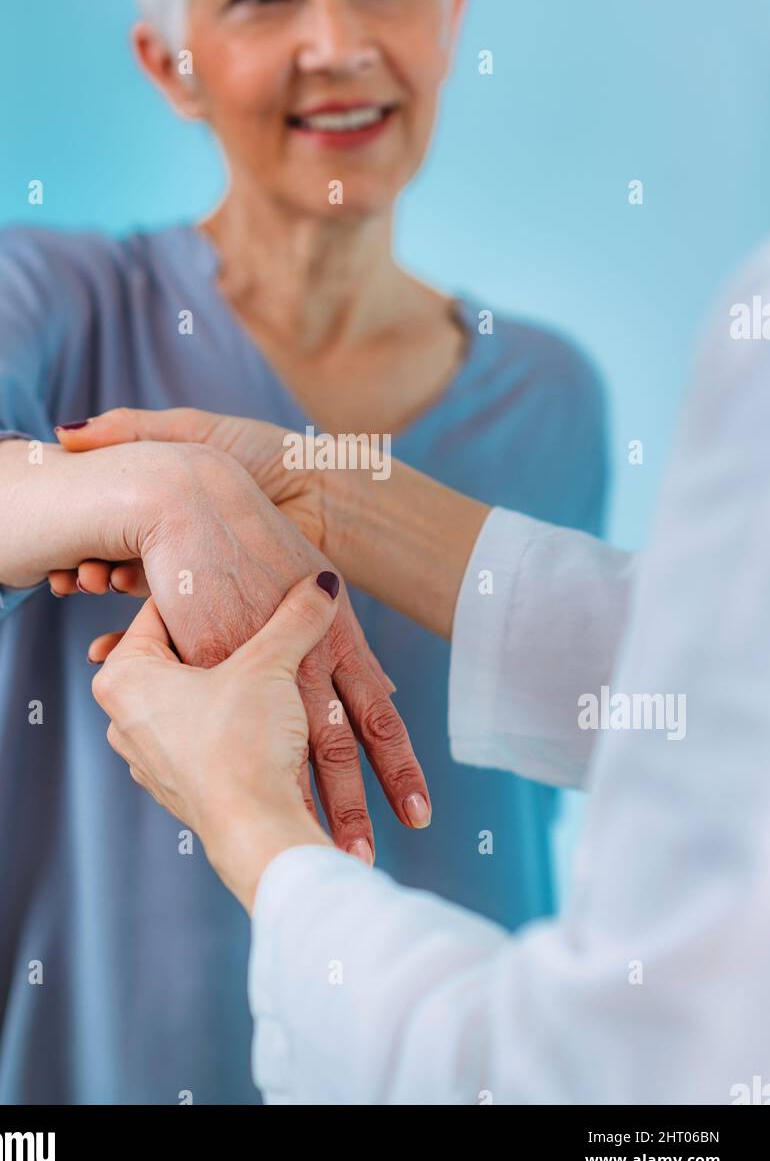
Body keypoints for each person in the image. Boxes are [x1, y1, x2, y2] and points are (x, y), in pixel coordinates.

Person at [0, 0, 606, 1103]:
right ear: (168, 61)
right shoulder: (59, 299)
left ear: (448, 18)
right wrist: (148, 481)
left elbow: (594, 766)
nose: (335, 47)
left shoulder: (550, 394)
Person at [85, 240, 770, 1104]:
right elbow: (723, 680)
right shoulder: (74, 295)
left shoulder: (557, 386)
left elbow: (623, 1090)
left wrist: (249, 818)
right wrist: (310, 490)